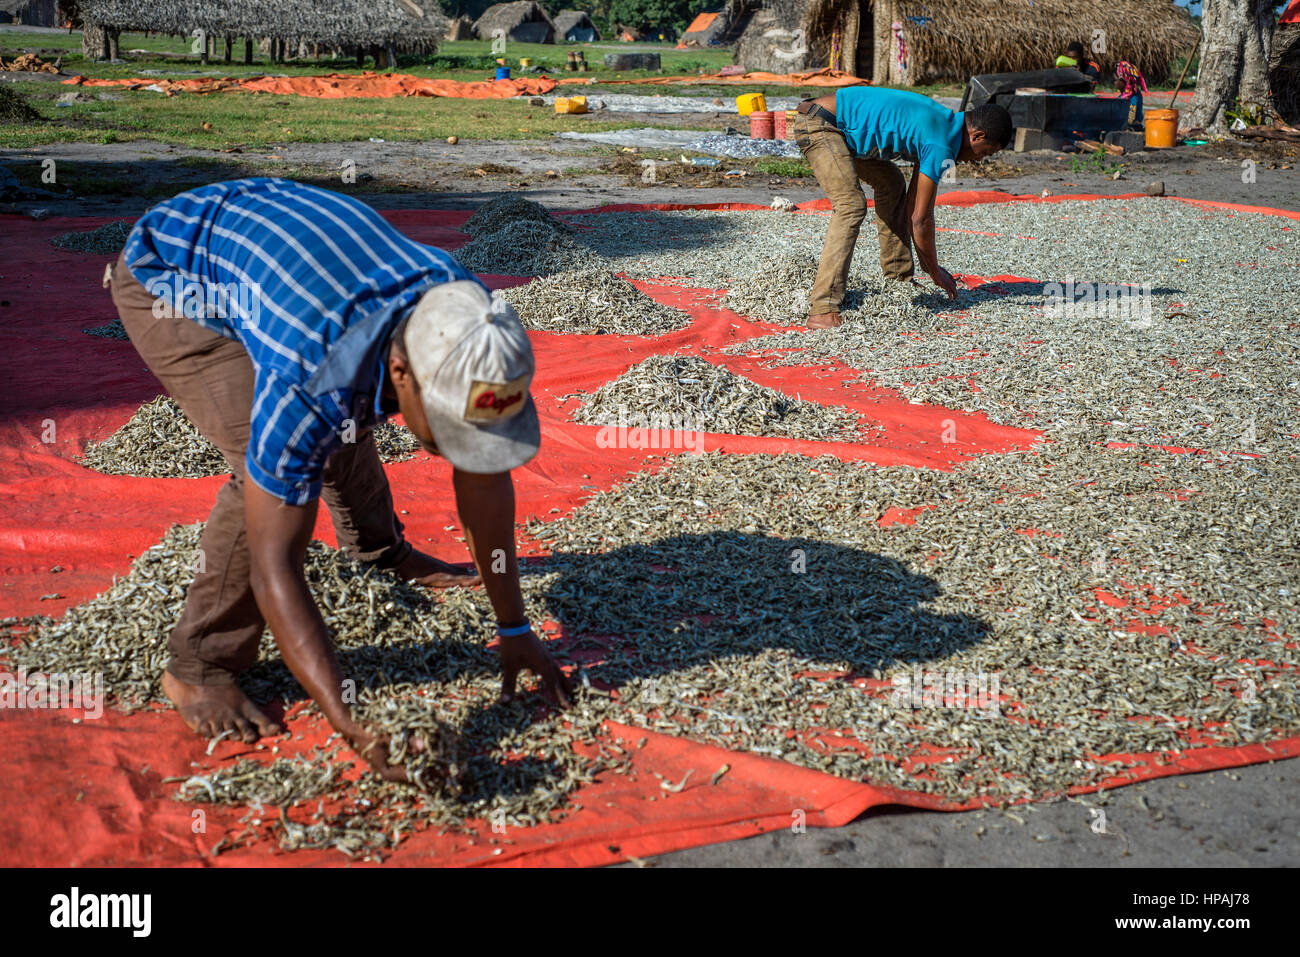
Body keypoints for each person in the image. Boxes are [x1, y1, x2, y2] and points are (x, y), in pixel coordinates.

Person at [106, 178, 572, 780]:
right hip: (172, 275)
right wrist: (351, 720)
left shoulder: (469, 320)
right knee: (265, 463)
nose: (466, 447)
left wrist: (514, 627)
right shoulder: (311, 372)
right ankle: (199, 663)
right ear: (401, 370)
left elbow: (482, 478)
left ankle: (381, 553)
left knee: (341, 416)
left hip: (283, 255)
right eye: (455, 430)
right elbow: (276, 564)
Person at [793, 87, 1012, 329]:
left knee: (892, 184)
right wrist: (934, 271)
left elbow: (914, 206)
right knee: (851, 206)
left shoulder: (943, 126)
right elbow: (920, 220)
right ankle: (823, 308)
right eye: (984, 153)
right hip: (821, 124)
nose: (978, 160)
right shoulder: (941, 144)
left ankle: (898, 278)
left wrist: (929, 266)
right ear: (977, 136)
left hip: (839, 128)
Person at [1115, 60, 1148, 130]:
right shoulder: (1128, 94)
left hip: (1132, 126)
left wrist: (1128, 123)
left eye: (1116, 80)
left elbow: (1131, 115)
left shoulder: (1133, 97)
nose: (1115, 83)